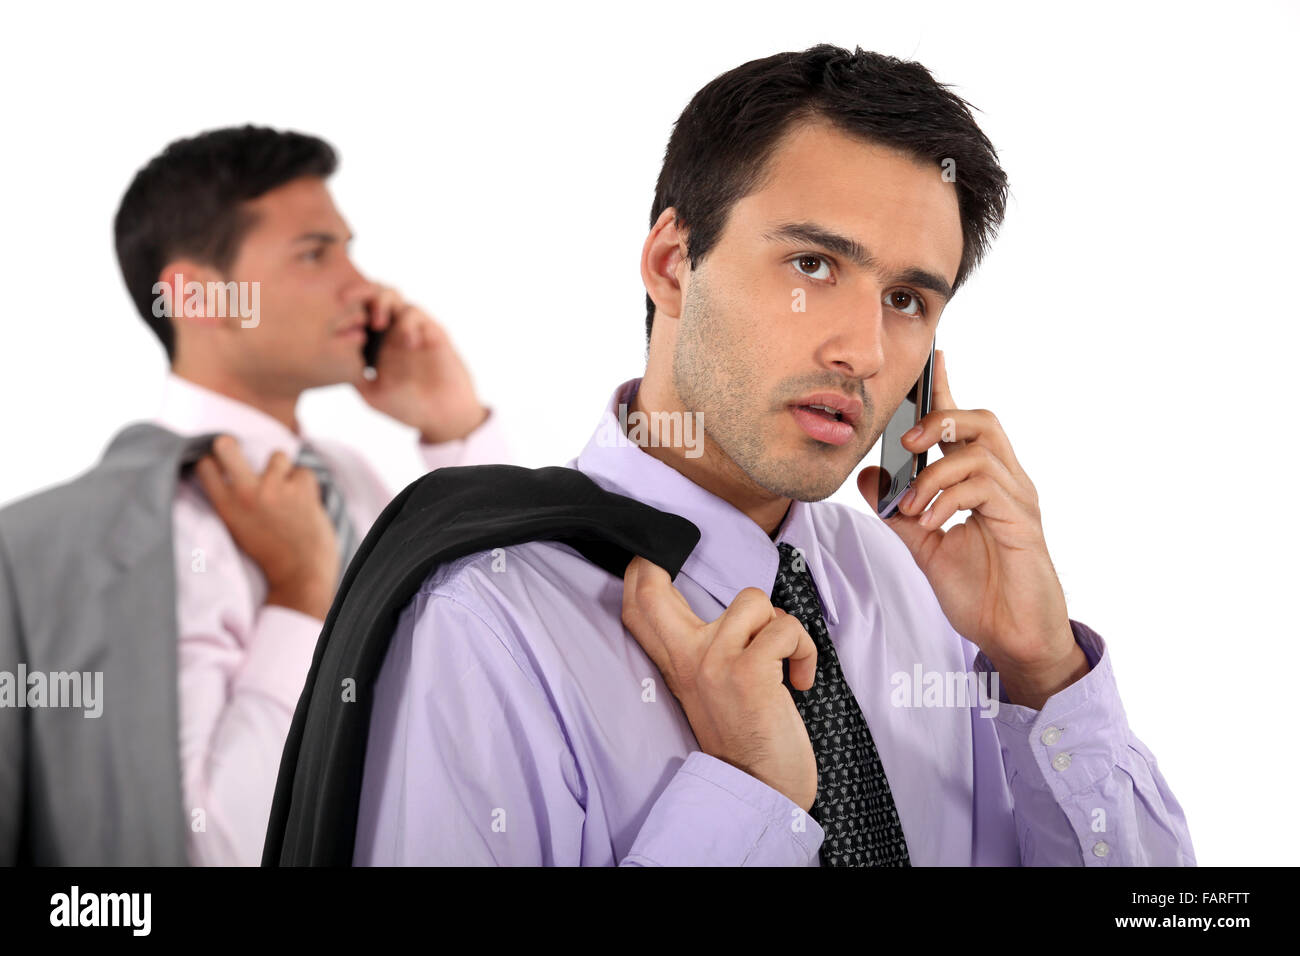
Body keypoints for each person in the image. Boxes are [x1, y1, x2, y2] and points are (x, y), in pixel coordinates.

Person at [349, 46, 1194, 866]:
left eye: (906, 299)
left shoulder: (926, 589)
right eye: (813, 264)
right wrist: (745, 800)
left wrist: (1043, 670)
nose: (862, 352)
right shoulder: (487, 623)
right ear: (673, 264)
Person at [0, 126, 510, 865]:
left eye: (347, 247)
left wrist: (454, 425)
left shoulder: (356, 478)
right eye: (314, 253)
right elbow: (211, 849)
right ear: (196, 295)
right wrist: (301, 593)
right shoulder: (114, 535)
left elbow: (502, 660)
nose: (362, 286)